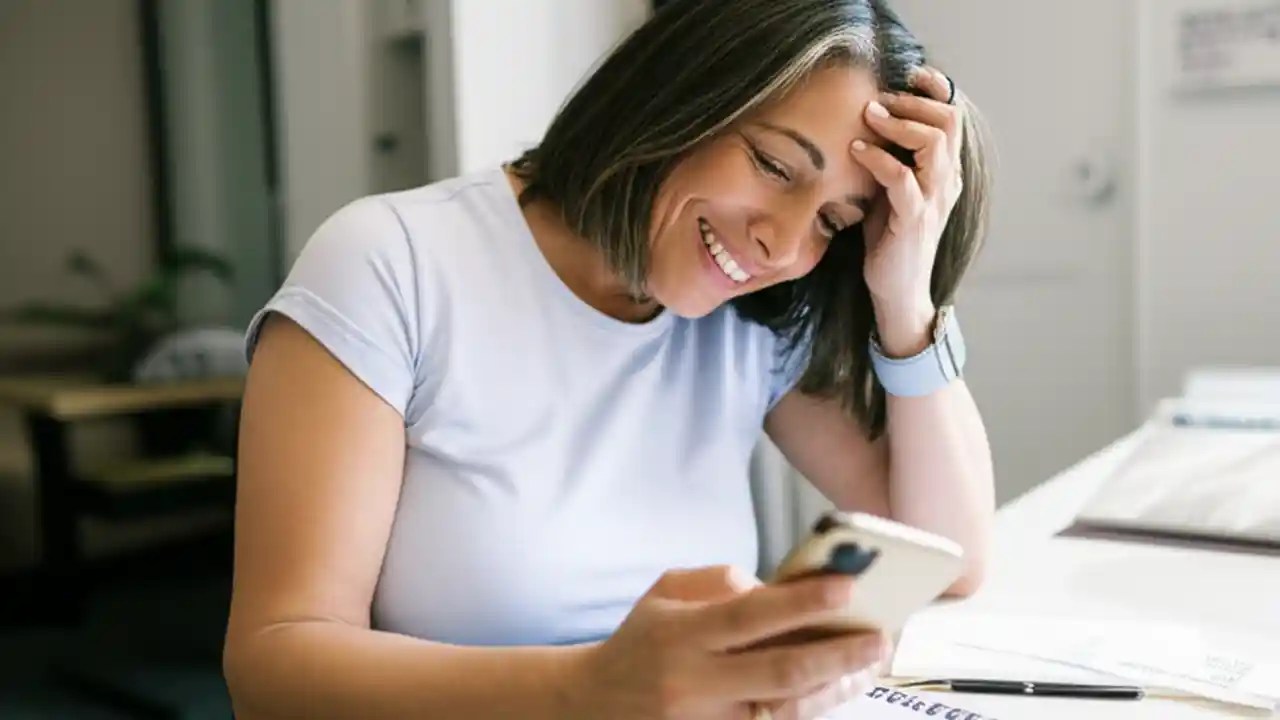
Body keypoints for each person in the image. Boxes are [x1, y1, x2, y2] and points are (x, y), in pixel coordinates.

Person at [222, 0, 996, 718]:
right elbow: (273, 665)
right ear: (681, 94)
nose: (785, 245)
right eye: (773, 165)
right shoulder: (389, 264)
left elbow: (949, 559)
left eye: (833, 219)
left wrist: (907, 306)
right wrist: (590, 689)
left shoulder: (750, 324)